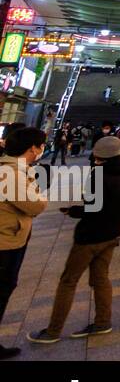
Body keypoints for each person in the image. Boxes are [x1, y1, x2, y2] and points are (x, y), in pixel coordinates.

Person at [27, 136, 120, 344]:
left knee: (68, 281)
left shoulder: (99, 175)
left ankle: (53, 330)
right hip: (112, 233)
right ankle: (103, 321)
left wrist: (72, 209)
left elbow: (92, 208)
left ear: (99, 153)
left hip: (90, 236)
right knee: (101, 278)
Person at [0, 126, 48, 359]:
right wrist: (41, 196)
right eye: (41, 145)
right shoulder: (10, 173)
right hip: (4, 243)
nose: (43, 149)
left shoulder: (16, 169)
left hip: (11, 238)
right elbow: (35, 204)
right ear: (33, 148)